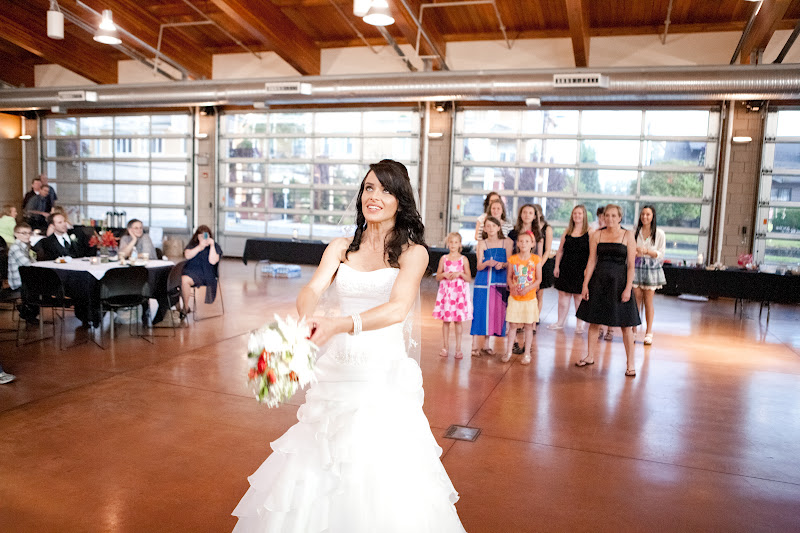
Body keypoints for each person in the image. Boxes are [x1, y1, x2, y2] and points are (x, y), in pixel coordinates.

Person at [232, 160, 466, 532]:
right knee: (317, 458)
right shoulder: (341, 247)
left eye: (386, 190)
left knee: (373, 467)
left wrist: (340, 324)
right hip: (337, 370)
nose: (375, 196)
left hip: (379, 374)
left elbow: (397, 308)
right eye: (369, 188)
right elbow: (312, 289)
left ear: (400, 201)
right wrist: (309, 316)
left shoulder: (414, 253)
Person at [574, 204, 641, 377]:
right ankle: (590, 356)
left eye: (613, 216)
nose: (610, 219)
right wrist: (585, 284)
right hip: (599, 281)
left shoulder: (628, 235)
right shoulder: (597, 234)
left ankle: (630, 363)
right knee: (594, 321)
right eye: (607, 216)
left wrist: (628, 288)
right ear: (603, 217)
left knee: (626, 325)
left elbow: (631, 266)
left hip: (620, 283)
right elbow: (591, 261)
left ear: (620, 217)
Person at [470, 215, 512, 357]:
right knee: (480, 311)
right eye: (487, 226)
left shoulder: (507, 242)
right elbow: (479, 265)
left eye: (493, 226)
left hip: (500, 281)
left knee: (494, 312)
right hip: (483, 281)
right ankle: (474, 344)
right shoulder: (482, 243)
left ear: (499, 227)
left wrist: (503, 264)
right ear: (485, 228)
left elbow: (510, 262)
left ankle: (487, 345)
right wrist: (487, 263)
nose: (491, 228)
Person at [549, 205, 591, 332]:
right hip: (566, 267)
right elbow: (560, 251)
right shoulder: (567, 231)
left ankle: (579, 324)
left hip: (581, 269)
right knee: (563, 297)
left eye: (579, 213)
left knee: (579, 297)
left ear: (584, 215)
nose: (577, 216)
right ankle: (560, 321)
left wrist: (588, 270)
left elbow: (592, 254)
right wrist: (556, 266)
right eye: (575, 214)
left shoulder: (590, 232)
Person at [503, 231, 542, 365]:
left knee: (528, 326)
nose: (523, 243)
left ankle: (527, 353)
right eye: (521, 241)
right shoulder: (513, 259)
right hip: (515, 298)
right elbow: (509, 277)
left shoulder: (536, 259)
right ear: (517, 243)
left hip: (529, 298)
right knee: (513, 325)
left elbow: (538, 279)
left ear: (532, 244)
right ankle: (508, 351)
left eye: (527, 241)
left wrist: (528, 288)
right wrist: (512, 286)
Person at [432, 232, 473, 359]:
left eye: (456, 242)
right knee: (446, 322)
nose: (453, 245)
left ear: (460, 244)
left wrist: (459, 274)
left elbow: (468, 278)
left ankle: (458, 348)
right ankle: (445, 347)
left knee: (458, 322)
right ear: (447, 243)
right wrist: (444, 275)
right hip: (447, 295)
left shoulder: (463, 260)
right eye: (451, 242)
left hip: (458, 296)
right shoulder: (443, 259)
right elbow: (437, 276)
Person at [507, 203, 541, 353]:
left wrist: (531, 285)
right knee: (513, 322)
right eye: (524, 212)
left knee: (528, 323)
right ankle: (512, 346)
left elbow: (541, 254)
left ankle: (527, 350)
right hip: (516, 278)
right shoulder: (514, 233)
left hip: (530, 281)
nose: (527, 215)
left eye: (530, 212)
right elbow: (510, 271)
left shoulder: (538, 235)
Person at [633, 205, 666, 346]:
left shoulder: (659, 233)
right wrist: (636, 251)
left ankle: (649, 332)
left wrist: (646, 251)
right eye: (642, 214)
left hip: (651, 268)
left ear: (653, 216)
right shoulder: (635, 231)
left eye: (648, 214)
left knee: (648, 301)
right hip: (636, 266)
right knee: (635, 300)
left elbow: (660, 254)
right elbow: (630, 248)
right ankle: (633, 329)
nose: (645, 217)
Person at [181, 225, 222, 318]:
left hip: (206, 274)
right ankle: (181, 306)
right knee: (176, 280)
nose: (204, 238)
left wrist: (211, 246)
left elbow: (213, 261)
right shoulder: (193, 245)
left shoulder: (215, 246)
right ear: (197, 236)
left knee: (184, 280)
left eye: (206, 236)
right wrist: (200, 247)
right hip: (190, 270)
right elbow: (187, 255)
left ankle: (185, 308)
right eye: (201, 236)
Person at [7, 222, 39, 324]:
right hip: (18, 281)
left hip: (26, 279)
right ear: (16, 234)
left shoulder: (25, 247)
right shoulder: (15, 247)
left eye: (29, 233)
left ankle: (30, 311)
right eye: (23, 233)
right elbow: (26, 264)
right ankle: (27, 311)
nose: (27, 236)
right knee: (36, 286)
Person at [532, 203, 554, 319]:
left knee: (539, 293)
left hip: (542, 264)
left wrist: (539, 265)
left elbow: (548, 249)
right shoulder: (529, 227)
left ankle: (536, 317)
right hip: (529, 264)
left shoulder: (547, 228)